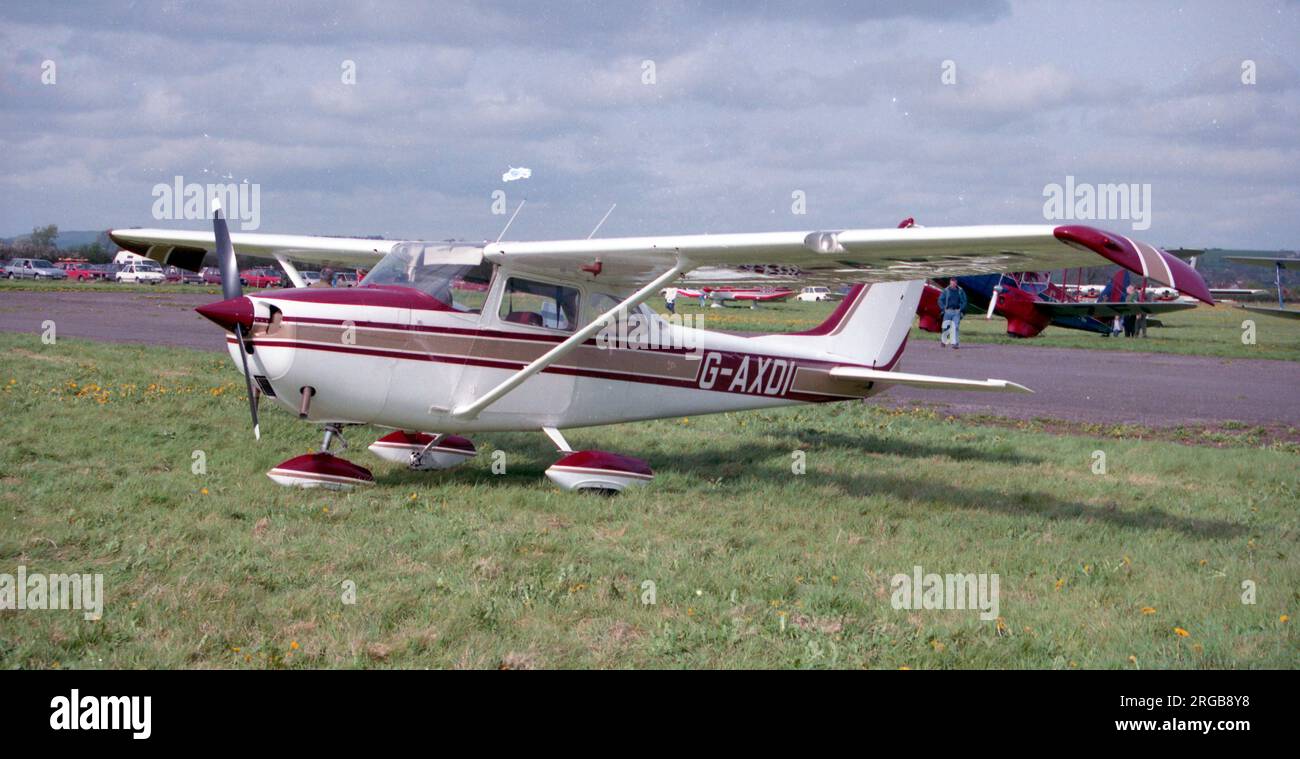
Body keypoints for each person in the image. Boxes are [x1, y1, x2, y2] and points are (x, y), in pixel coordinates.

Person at [938, 278, 967, 349]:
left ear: (956, 283)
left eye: (954, 283)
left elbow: (964, 301)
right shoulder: (946, 290)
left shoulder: (960, 291)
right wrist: (943, 308)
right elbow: (940, 300)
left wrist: (961, 309)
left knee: (955, 327)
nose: (953, 284)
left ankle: (955, 343)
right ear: (950, 283)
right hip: (948, 311)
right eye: (952, 283)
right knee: (946, 327)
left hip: (956, 311)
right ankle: (944, 341)